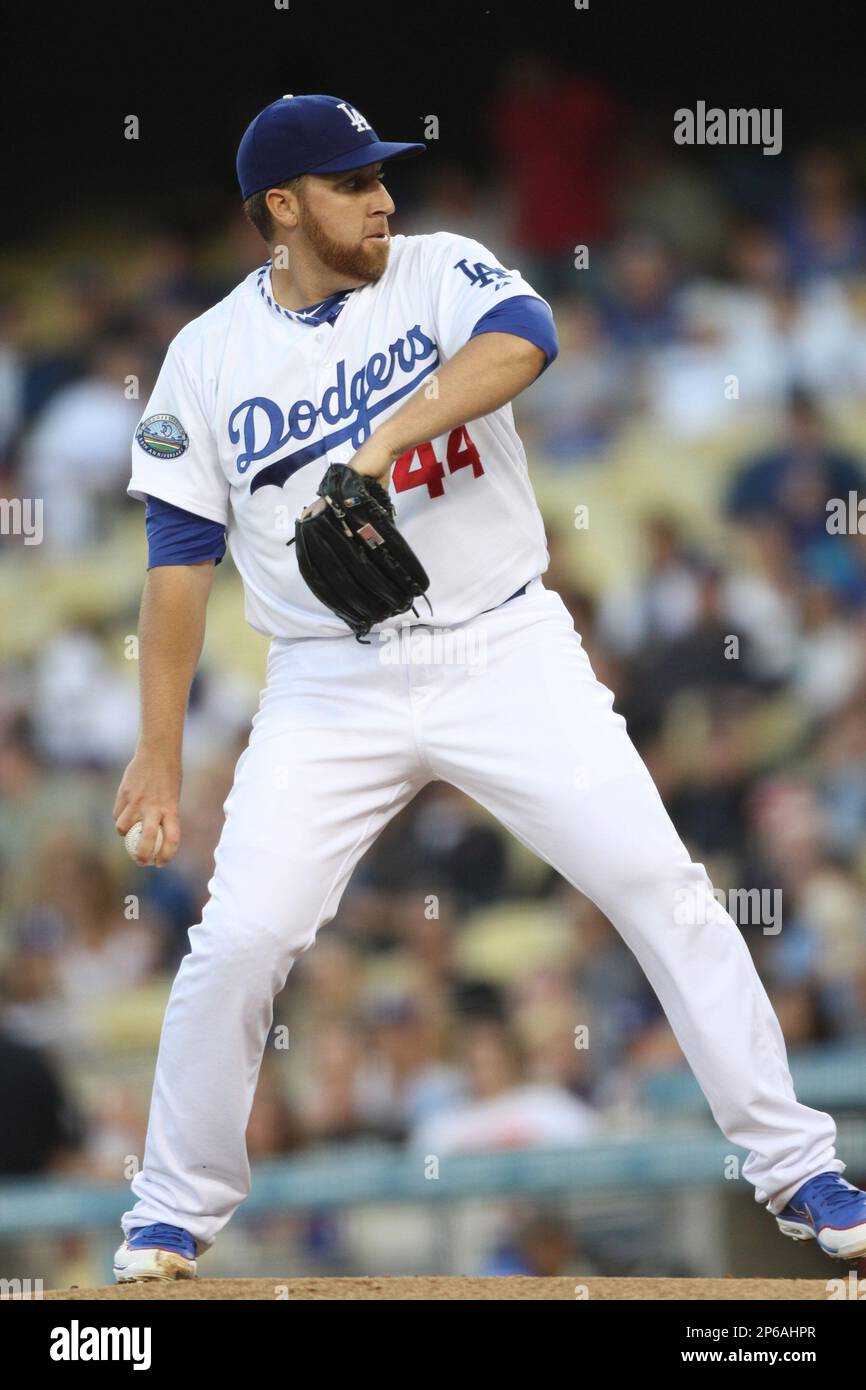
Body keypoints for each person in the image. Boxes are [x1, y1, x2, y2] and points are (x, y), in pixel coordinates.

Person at [112, 94, 866, 1282]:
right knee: (240, 936)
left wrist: (373, 448)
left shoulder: (438, 268)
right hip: (328, 683)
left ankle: (796, 1170)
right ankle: (169, 1211)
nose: (382, 196)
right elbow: (175, 565)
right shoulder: (205, 360)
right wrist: (157, 748)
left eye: (380, 175)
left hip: (502, 647)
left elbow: (525, 340)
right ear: (280, 207)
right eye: (353, 181)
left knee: (659, 885)